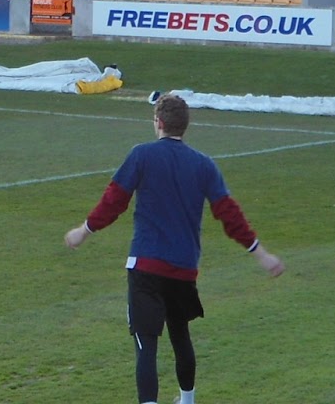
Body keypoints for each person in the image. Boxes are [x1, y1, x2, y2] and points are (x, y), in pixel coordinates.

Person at [64, 93, 284, 404]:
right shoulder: (204, 165)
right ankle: (187, 399)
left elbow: (114, 201)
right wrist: (262, 255)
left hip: (145, 266)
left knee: (146, 342)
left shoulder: (141, 155)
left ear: (159, 122)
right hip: (183, 268)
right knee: (180, 334)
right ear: (185, 126)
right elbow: (229, 214)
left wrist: (83, 231)